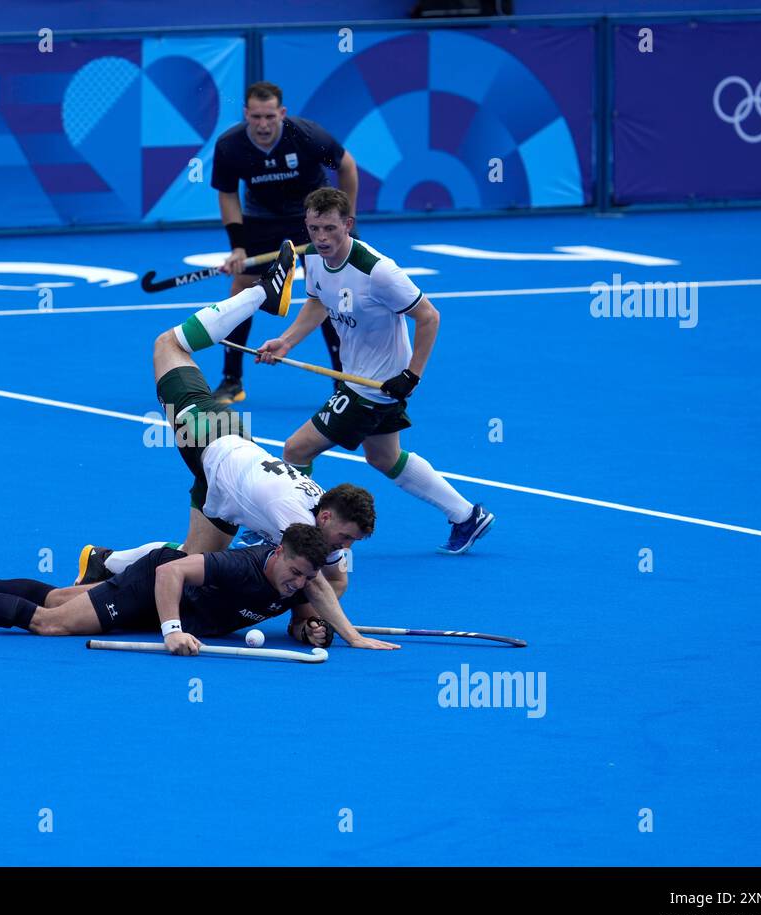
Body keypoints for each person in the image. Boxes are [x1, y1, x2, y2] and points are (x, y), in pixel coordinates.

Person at [72, 243, 398, 649]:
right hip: (211, 438)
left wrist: (307, 624)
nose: (344, 547)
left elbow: (334, 578)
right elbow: (316, 585)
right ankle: (262, 292)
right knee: (168, 346)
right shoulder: (294, 516)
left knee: (190, 555)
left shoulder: (321, 526)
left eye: (350, 543)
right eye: (346, 538)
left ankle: (103, 561)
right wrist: (350, 634)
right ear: (327, 517)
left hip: (228, 479)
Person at [256, 187, 495, 555]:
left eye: (330, 229)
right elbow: (318, 302)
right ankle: (466, 516)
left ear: (348, 225)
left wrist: (411, 376)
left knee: (296, 450)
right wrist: (286, 341)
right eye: (314, 228)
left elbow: (429, 316)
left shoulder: (378, 271)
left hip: (374, 388)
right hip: (356, 375)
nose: (321, 238)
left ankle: (290, 534)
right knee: (384, 457)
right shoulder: (315, 259)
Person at [0, 524, 397, 654]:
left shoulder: (296, 580)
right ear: (280, 551)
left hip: (160, 609)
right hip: (154, 589)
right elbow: (169, 573)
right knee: (49, 625)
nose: (300, 582)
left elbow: (308, 608)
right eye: (297, 572)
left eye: (309, 576)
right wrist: (173, 631)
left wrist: (316, 628)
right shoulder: (240, 565)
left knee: (55, 600)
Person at [209, 80, 359, 405]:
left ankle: (344, 384)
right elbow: (228, 194)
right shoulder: (230, 145)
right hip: (262, 218)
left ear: (282, 113)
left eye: (270, 117)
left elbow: (347, 166)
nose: (263, 124)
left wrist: (345, 220)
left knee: (331, 293)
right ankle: (231, 380)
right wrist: (237, 246)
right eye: (256, 117)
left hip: (313, 215)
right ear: (246, 113)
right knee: (243, 288)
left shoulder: (306, 135)